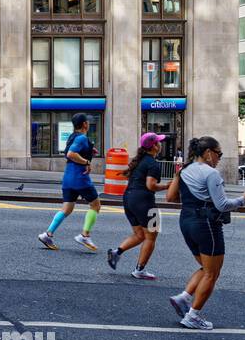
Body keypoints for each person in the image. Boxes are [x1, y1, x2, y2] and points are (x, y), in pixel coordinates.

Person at [164, 135, 245, 331]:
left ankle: (184, 298)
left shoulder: (185, 170)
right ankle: (193, 316)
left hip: (186, 221)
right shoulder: (211, 174)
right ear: (207, 153)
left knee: (205, 268)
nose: (219, 158)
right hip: (206, 224)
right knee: (212, 272)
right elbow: (222, 205)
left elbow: (170, 197)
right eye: (218, 154)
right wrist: (243, 199)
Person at [38, 113, 102, 252]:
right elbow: (71, 154)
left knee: (67, 209)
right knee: (95, 205)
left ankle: (47, 235)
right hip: (80, 178)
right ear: (85, 124)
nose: (88, 124)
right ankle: (85, 235)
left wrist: (90, 151)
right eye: (87, 122)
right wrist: (87, 161)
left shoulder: (72, 137)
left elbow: (71, 151)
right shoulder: (81, 138)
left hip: (68, 178)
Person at [106, 132, 165, 279]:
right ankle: (139, 270)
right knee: (151, 237)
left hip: (129, 199)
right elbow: (150, 185)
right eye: (159, 141)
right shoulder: (152, 164)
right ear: (154, 146)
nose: (161, 144)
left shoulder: (139, 160)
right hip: (145, 201)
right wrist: (168, 186)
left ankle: (116, 252)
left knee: (139, 235)